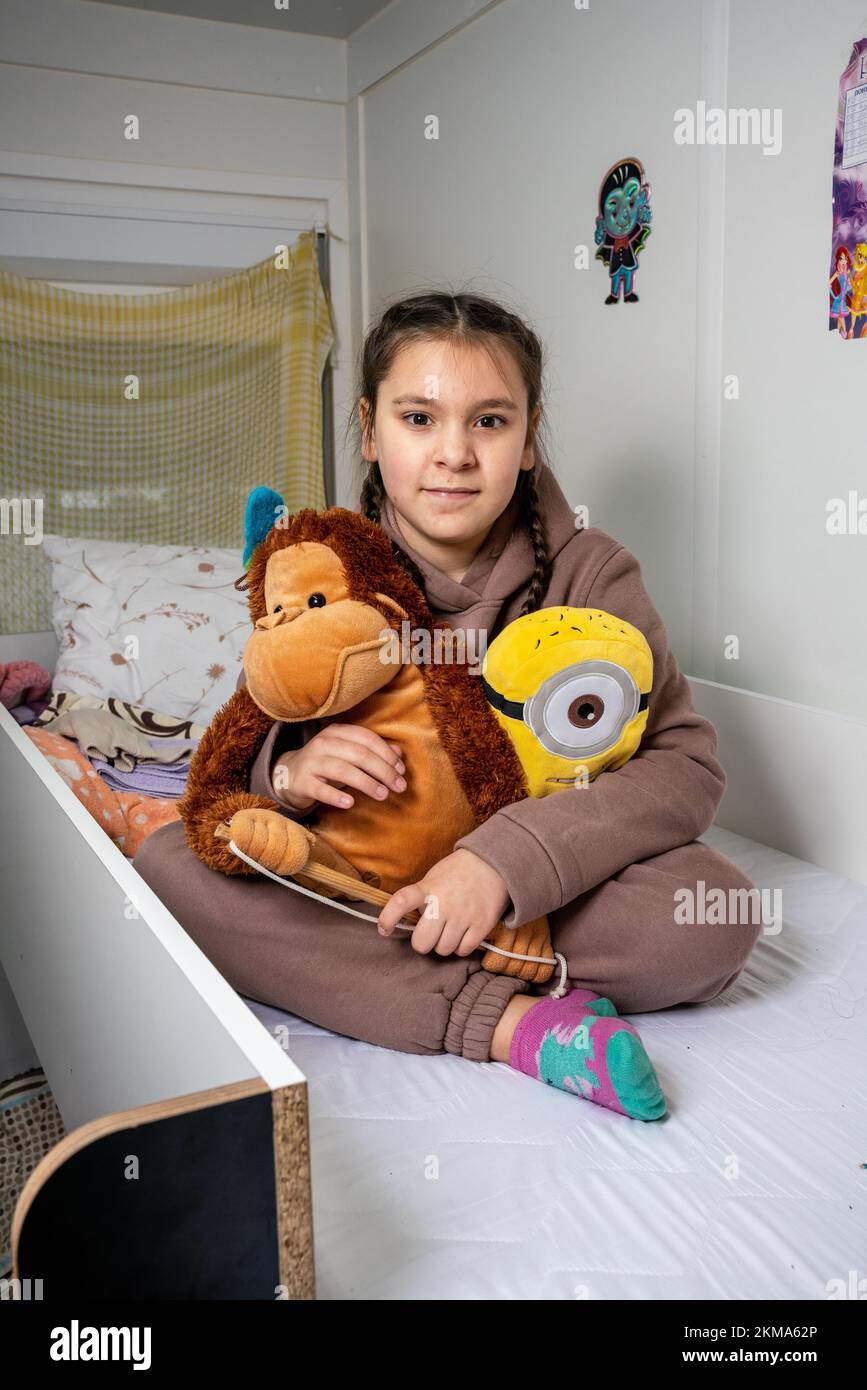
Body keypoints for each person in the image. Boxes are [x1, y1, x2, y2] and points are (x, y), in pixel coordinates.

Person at [134, 290, 762, 1122]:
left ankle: (396, 970)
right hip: (364, 875)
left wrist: (498, 866)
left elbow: (682, 769)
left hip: (531, 896)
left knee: (708, 915)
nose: (454, 454)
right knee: (168, 867)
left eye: (489, 422)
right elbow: (239, 751)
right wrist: (288, 775)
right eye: (419, 418)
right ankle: (509, 1024)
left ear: (528, 437)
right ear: (370, 430)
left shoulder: (592, 573)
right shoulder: (325, 566)